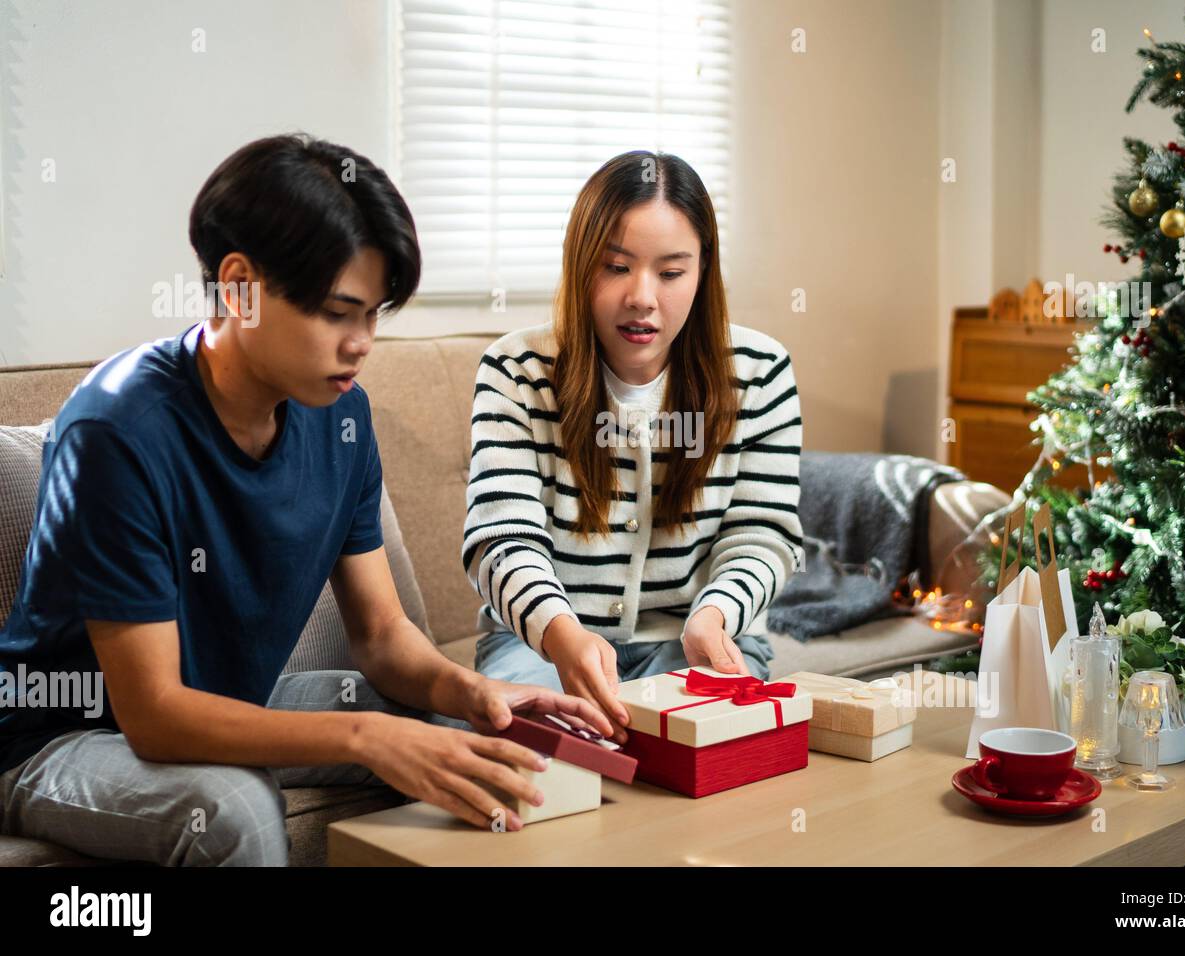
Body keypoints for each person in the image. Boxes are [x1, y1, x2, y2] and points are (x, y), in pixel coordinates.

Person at [0, 134, 611, 865]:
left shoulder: (342, 418)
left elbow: (382, 635)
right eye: (336, 313)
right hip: (62, 736)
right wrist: (365, 739)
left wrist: (471, 691)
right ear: (240, 285)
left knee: (450, 733)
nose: (361, 344)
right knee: (234, 809)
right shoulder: (118, 429)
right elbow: (154, 716)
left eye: (373, 314)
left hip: (228, 701)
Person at [465, 150, 804, 739]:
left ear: (703, 272)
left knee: (698, 754)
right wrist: (562, 633)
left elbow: (763, 533)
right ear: (579, 265)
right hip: (544, 645)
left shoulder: (759, 372)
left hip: (697, 640)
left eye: (671, 273)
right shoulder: (515, 372)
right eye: (615, 267)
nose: (643, 297)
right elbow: (502, 539)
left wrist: (714, 615)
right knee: (550, 752)